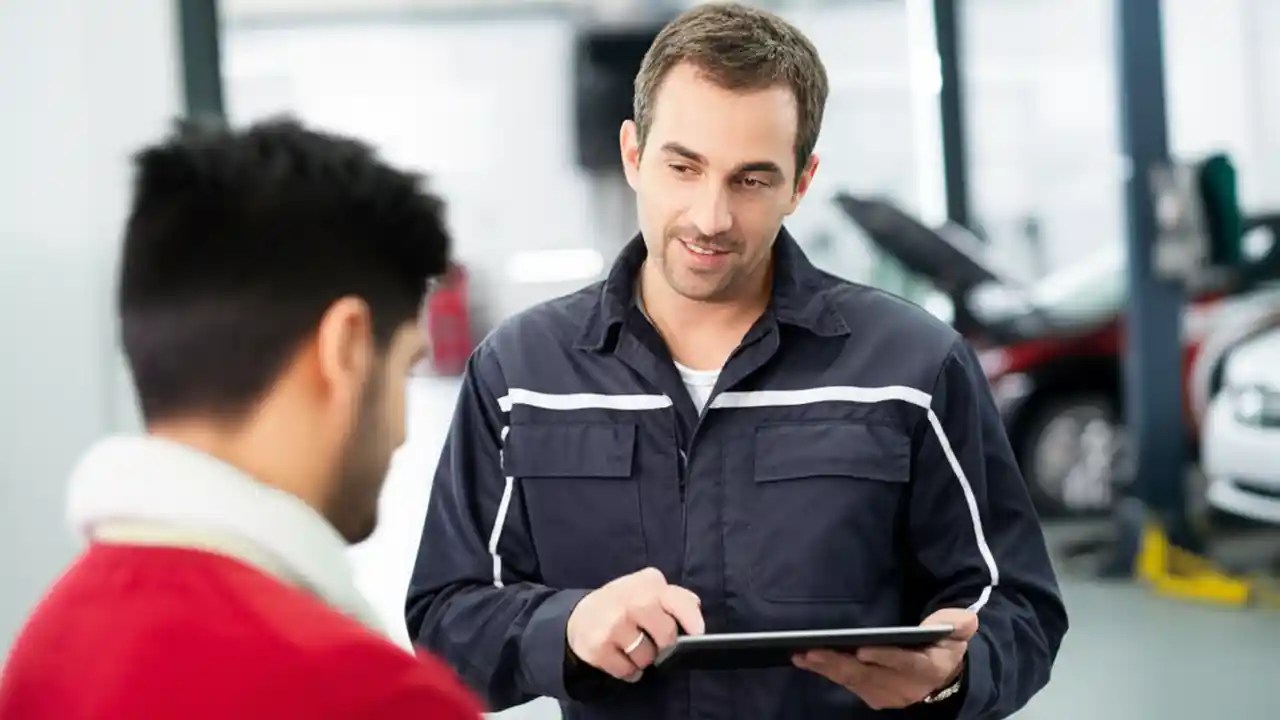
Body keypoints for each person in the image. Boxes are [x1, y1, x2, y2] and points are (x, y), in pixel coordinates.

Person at [406, 3, 1067, 719]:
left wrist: (950, 677)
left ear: (801, 181)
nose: (711, 216)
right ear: (633, 154)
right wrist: (563, 628)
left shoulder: (914, 369)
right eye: (683, 167)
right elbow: (448, 618)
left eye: (751, 179)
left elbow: (1017, 604)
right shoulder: (522, 375)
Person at [0, 119, 481, 719]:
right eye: (403, 370)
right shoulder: (367, 695)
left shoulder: (46, 648)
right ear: (348, 349)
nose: (404, 433)